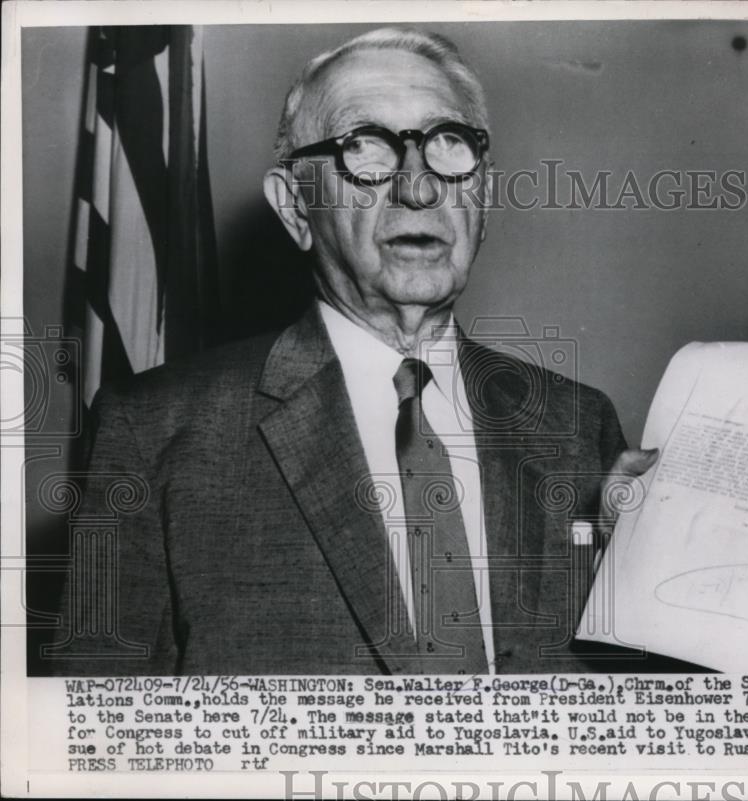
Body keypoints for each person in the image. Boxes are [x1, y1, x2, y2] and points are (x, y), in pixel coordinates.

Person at [51, 27, 664, 676]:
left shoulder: (577, 425)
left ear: (481, 194)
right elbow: (92, 735)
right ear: (294, 209)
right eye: (364, 149)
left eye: (448, 144)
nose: (419, 188)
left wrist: (666, 587)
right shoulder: (155, 433)